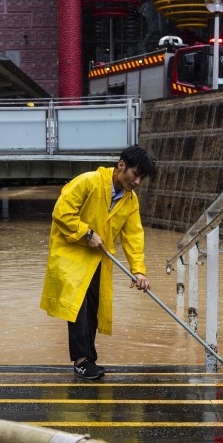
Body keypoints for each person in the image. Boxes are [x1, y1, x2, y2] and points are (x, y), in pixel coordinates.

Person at [40, 145, 156, 380]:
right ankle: (82, 361)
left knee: (92, 308)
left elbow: (133, 236)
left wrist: (139, 271)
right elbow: (61, 212)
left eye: (142, 178)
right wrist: (87, 233)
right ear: (121, 165)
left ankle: (88, 359)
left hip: (98, 258)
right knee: (79, 307)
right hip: (71, 255)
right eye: (136, 174)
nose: (138, 182)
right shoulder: (88, 181)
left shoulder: (130, 201)